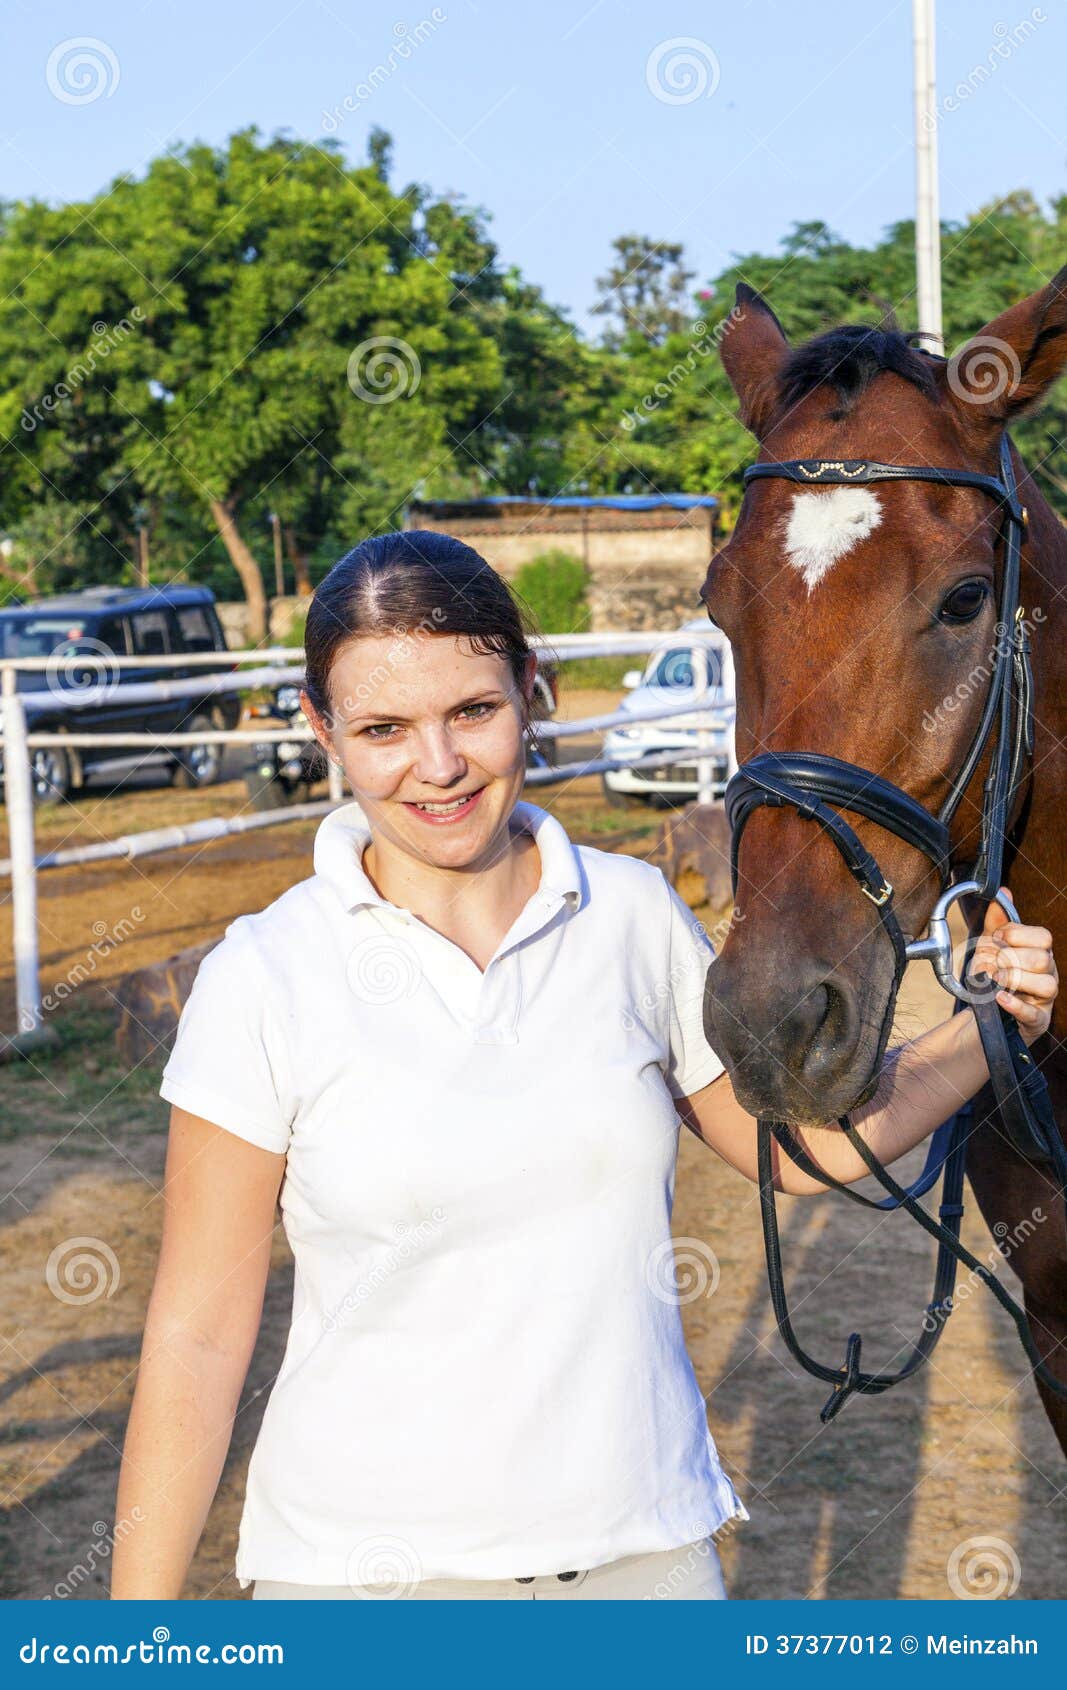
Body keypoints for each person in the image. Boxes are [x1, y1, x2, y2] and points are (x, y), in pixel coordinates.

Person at [110, 531, 1058, 1601]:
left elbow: (793, 1150)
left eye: (472, 710)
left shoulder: (631, 915)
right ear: (322, 730)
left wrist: (988, 1026)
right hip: (357, 1589)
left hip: (641, 1565)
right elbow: (195, 1336)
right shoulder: (263, 975)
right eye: (382, 728)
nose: (437, 765)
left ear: (531, 688)